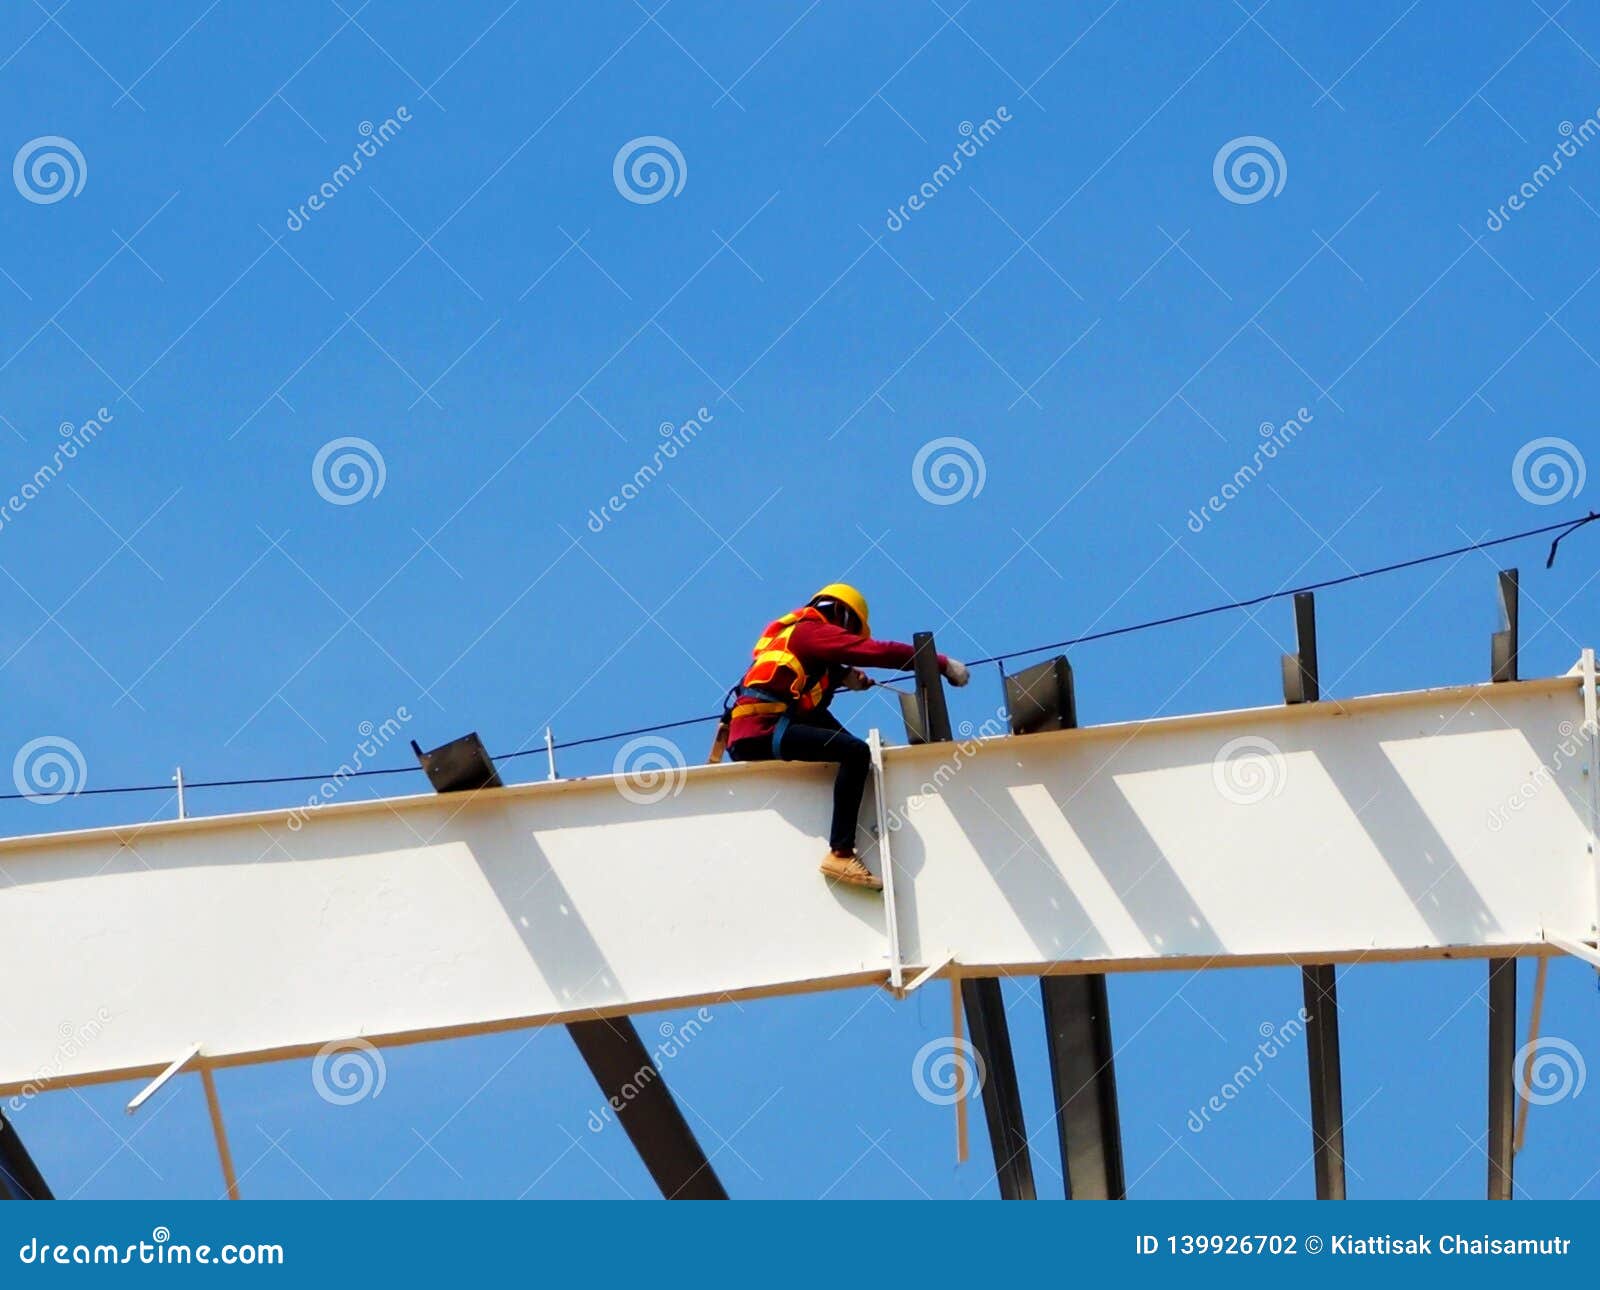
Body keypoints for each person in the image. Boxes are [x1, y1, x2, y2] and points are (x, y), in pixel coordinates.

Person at [725, 583, 969, 889]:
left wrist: (841, 677)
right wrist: (938, 662)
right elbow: (875, 651)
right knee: (855, 753)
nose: (849, 636)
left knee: (847, 743)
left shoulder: (792, 639)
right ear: (841, 614)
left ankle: (862, 786)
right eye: (851, 629)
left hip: (761, 728)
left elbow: (809, 697)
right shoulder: (810, 631)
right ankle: (840, 853)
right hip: (766, 729)